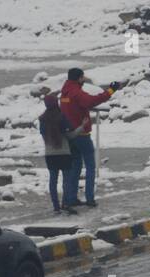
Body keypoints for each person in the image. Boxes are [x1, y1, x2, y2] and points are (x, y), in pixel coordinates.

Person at [59, 67, 116, 208]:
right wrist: (111, 91)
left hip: (69, 135)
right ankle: (90, 197)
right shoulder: (76, 93)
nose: (84, 79)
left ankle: (72, 198)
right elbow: (91, 101)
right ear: (78, 78)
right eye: (83, 77)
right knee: (90, 166)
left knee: (76, 166)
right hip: (82, 135)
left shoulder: (64, 92)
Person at [38, 91, 74, 214]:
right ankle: (66, 204)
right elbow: (69, 133)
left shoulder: (42, 119)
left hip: (50, 154)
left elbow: (43, 135)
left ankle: (56, 207)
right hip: (64, 153)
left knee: (53, 181)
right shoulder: (61, 116)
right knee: (67, 180)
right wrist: (81, 127)